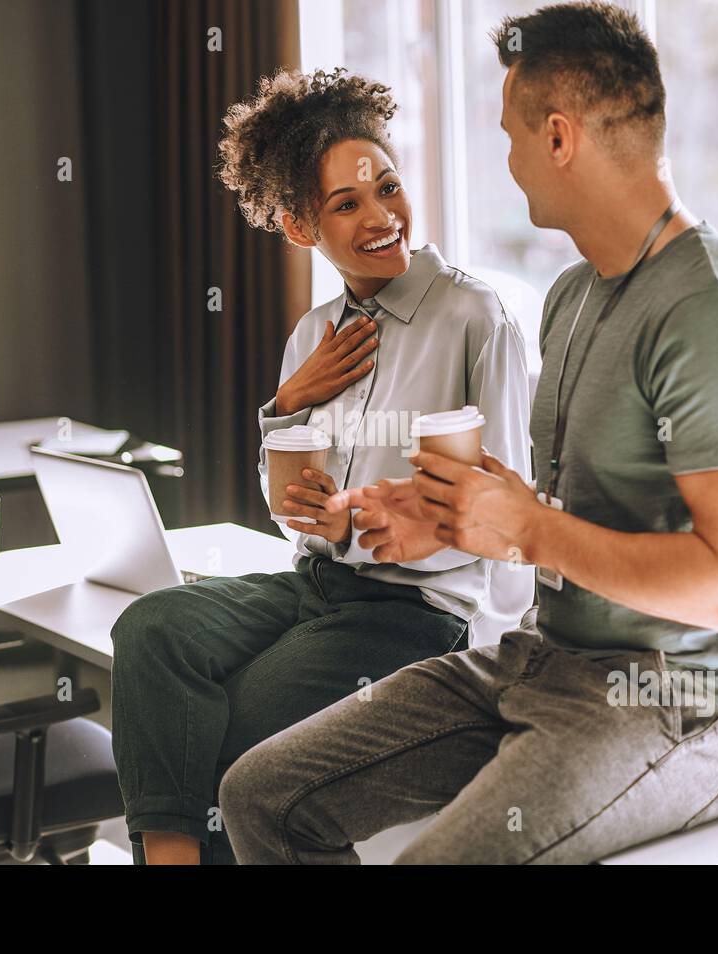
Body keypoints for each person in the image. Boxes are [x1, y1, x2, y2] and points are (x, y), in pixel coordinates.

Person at [219, 1, 718, 864]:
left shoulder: (712, 312)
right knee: (261, 795)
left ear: (561, 138)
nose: (505, 159)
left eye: (510, 135)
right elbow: (566, 514)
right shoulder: (575, 298)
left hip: (691, 704)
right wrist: (451, 517)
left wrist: (528, 528)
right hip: (548, 657)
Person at [109, 67, 532, 864]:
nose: (381, 216)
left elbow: (506, 519)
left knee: (233, 732)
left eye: (389, 187)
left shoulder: (475, 317)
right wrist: (285, 409)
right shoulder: (312, 334)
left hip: (415, 612)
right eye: (346, 204)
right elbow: (289, 509)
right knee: (152, 630)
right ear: (303, 227)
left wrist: (492, 667)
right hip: (313, 585)